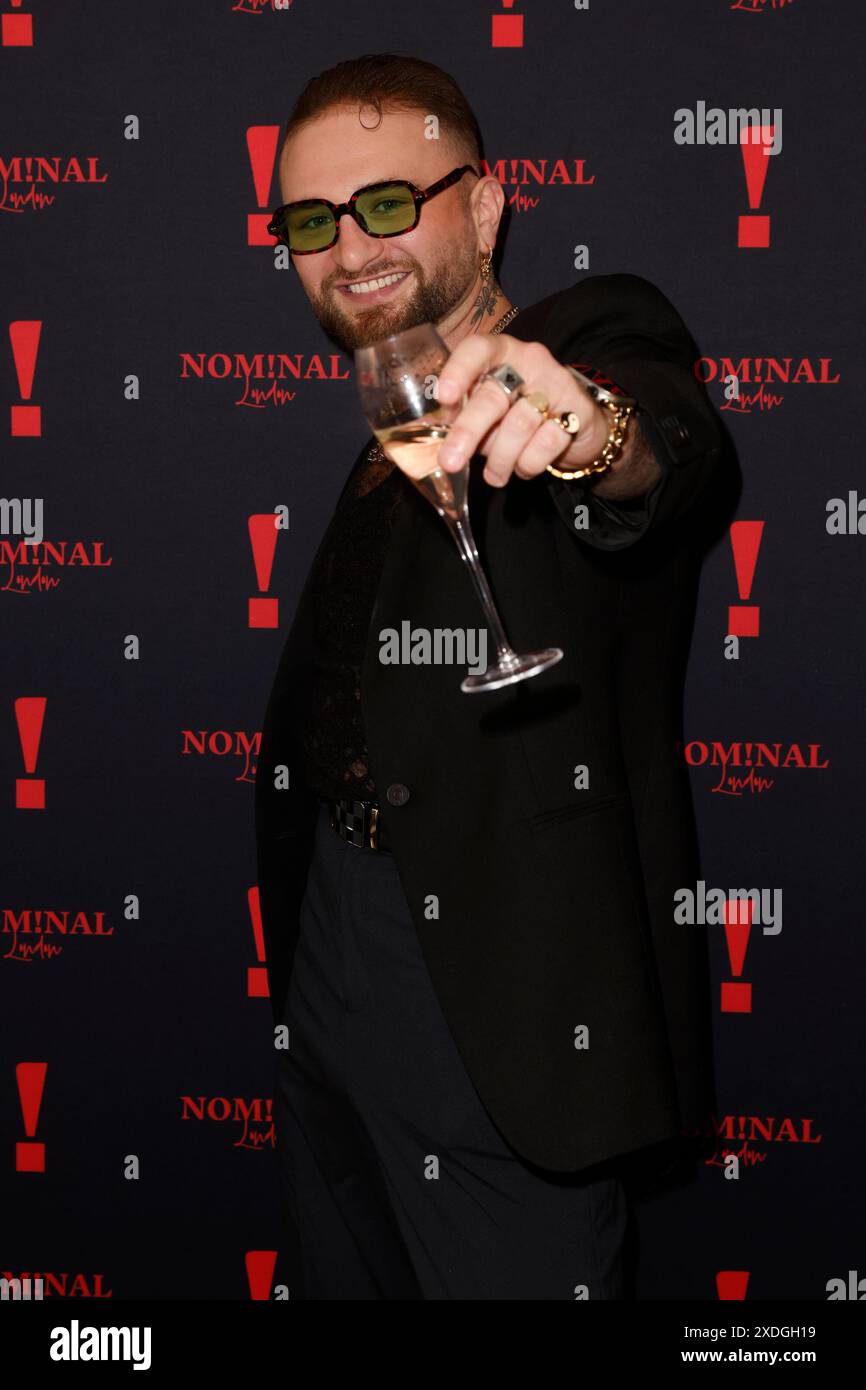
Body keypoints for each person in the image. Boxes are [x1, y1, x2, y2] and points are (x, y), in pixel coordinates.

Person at [255, 52, 734, 1300]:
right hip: (331, 944)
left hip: (502, 990)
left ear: (484, 202)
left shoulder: (588, 337)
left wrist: (597, 430)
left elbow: (664, 449)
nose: (349, 244)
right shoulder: (387, 409)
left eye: (389, 200)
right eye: (312, 219)